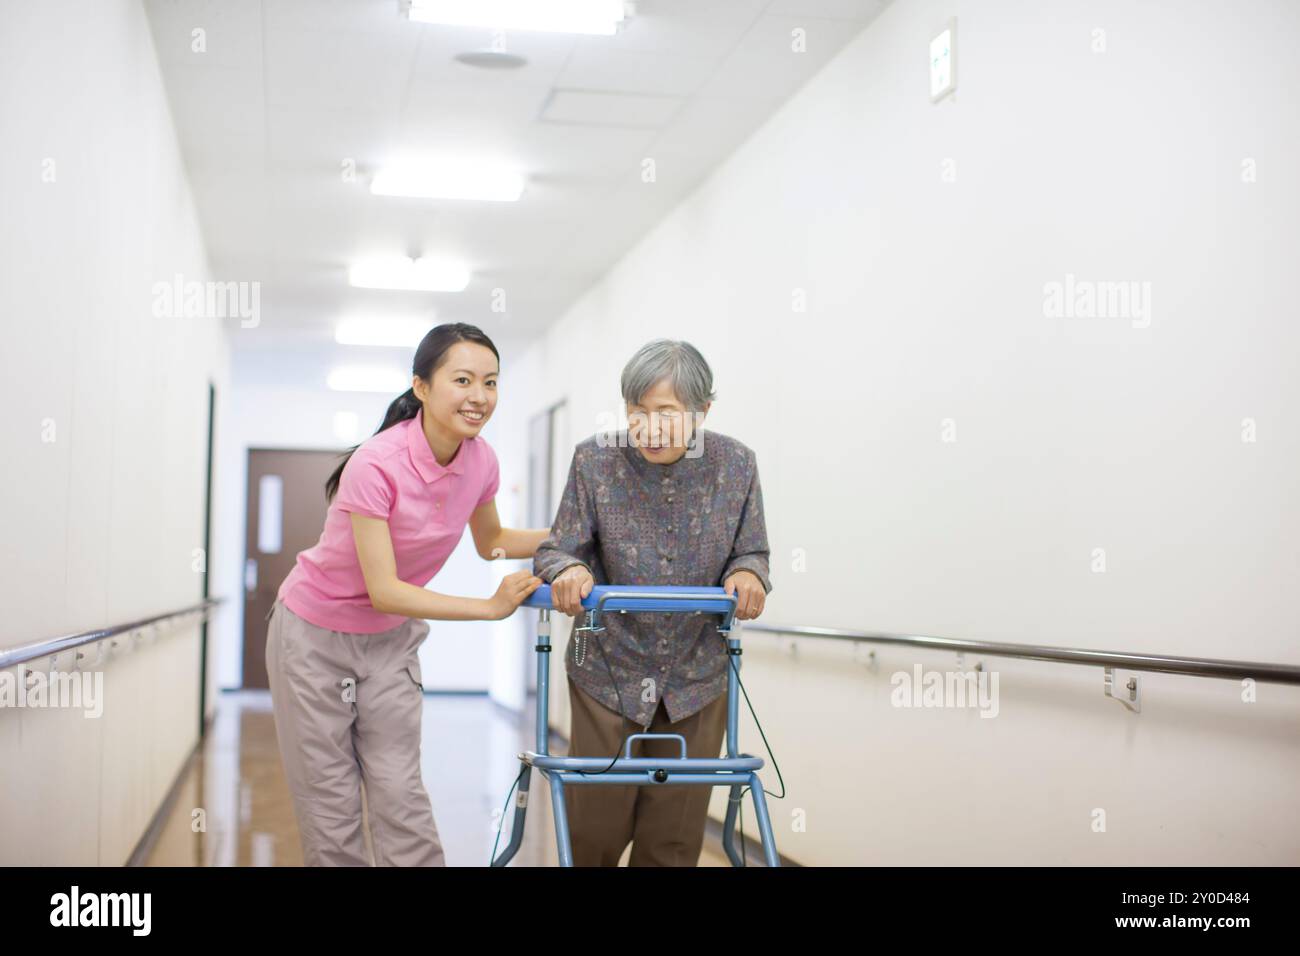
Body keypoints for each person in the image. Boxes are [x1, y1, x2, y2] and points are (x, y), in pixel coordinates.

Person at [266, 322, 546, 866]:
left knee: (401, 793)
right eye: (462, 379)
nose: (479, 396)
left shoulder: (481, 460)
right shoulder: (377, 462)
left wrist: (579, 530)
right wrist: (489, 608)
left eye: (490, 382)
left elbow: (491, 543)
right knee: (330, 804)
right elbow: (386, 590)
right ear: (421, 386)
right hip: (313, 637)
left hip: (388, 645)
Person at [534, 338, 772, 866]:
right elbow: (556, 549)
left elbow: (752, 550)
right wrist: (569, 567)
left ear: (701, 411)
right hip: (608, 670)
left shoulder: (737, 466)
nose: (648, 427)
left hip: (696, 676)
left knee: (674, 838)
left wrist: (748, 573)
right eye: (635, 412)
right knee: (594, 826)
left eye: (665, 412)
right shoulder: (594, 462)